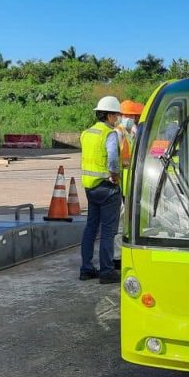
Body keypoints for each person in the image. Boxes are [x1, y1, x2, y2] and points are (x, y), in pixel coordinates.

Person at [79, 96, 123, 284]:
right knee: (108, 231)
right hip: (106, 187)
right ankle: (106, 271)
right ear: (110, 115)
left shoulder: (86, 133)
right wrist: (115, 174)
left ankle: (86, 269)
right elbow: (112, 159)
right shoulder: (109, 133)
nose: (118, 118)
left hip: (90, 187)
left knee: (90, 228)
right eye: (116, 115)